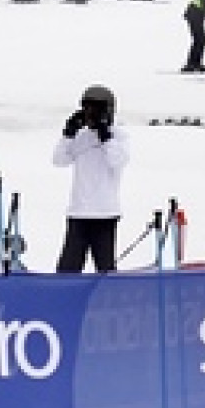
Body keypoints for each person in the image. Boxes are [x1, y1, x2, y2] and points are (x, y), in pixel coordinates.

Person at [52, 85, 128, 273]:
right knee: (68, 269)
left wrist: (105, 137)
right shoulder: (82, 137)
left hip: (105, 214)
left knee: (105, 270)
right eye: (86, 109)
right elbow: (59, 160)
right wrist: (68, 135)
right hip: (79, 213)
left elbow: (117, 161)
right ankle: (66, 301)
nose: (90, 114)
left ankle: (107, 301)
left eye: (95, 109)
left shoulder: (119, 136)